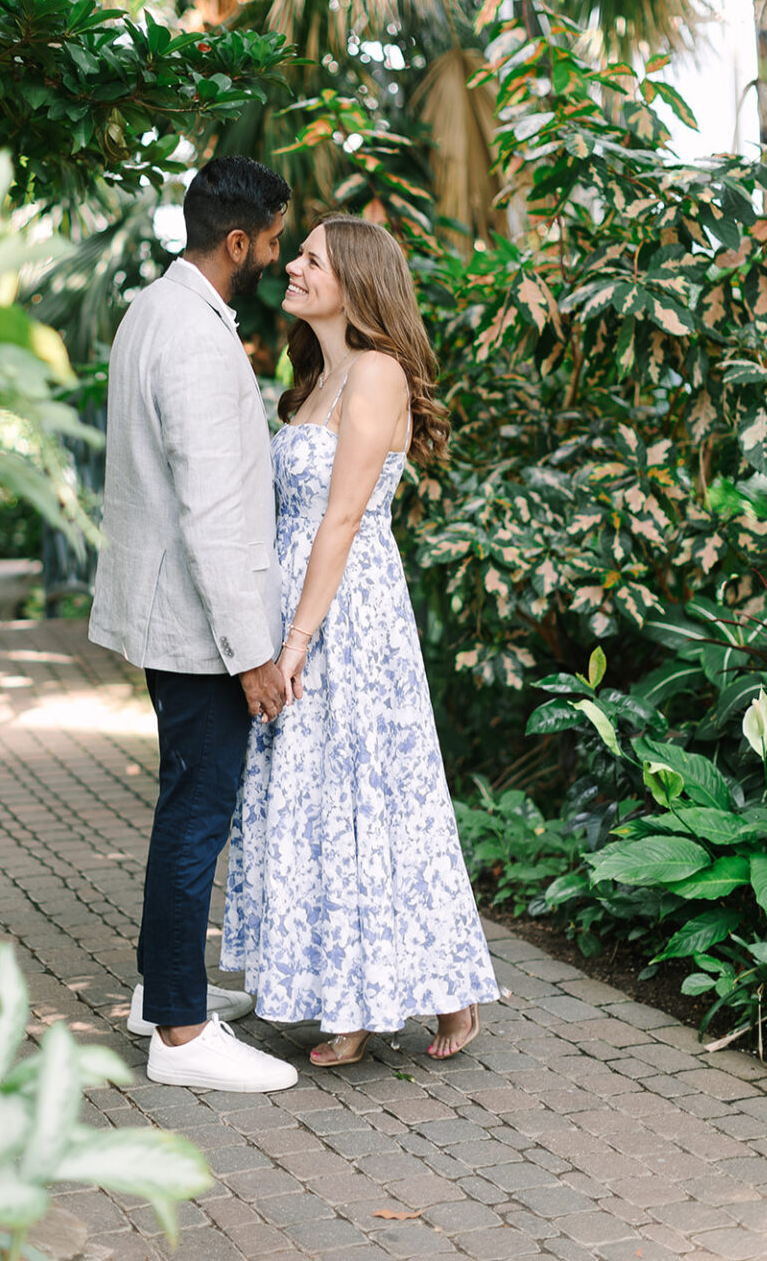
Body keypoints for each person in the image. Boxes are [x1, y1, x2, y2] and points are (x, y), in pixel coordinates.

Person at [221, 214, 500, 1066]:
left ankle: (412, 997)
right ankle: (345, 992)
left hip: (349, 619)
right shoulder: (314, 381)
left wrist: (297, 640)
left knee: (368, 799)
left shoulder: (376, 373)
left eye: (311, 259)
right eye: (297, 254)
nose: (292, 267)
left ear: (356, 282)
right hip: (296, 603)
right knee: (311, 802)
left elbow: (343, 516)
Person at [89, 155, 298, 1093]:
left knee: (185, 804)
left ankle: (158, 988)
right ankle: (178, 1035)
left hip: (165, 607)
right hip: (200, 622)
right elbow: (214, 513)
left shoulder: (153, 309)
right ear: (239, 241)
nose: (280, 256)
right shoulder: (197, 340)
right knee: (196, 817)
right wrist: (252, 654)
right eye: (276, 239)